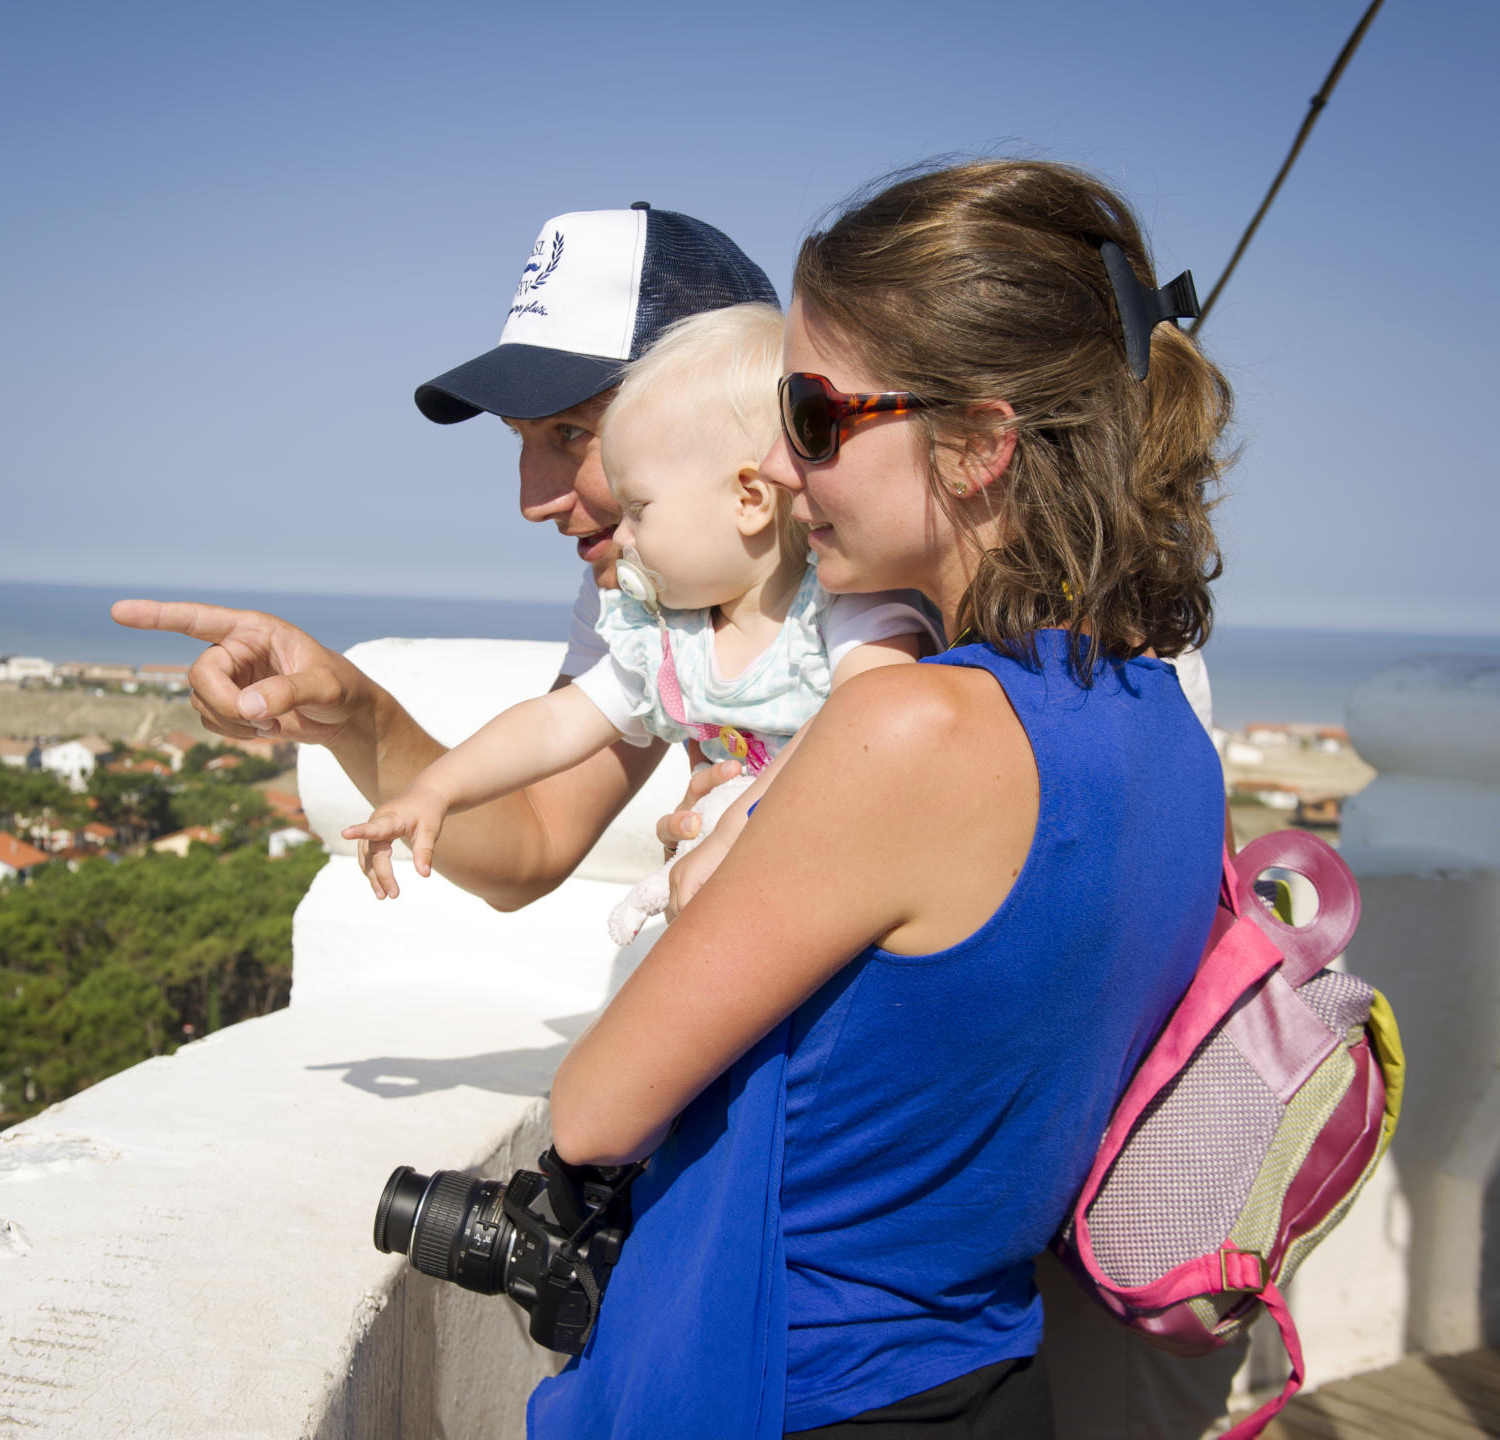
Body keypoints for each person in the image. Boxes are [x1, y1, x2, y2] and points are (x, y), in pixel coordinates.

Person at [529, 160, 1234, 1439]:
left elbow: (595, 1108)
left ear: (976, 447)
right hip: (984, 1375)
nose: (783, 470)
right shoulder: (1166, 738)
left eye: (811, 416)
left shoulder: (908, 730)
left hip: (777, 1384)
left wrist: (729, 849)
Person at [113, 203, 779, 908]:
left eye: (572, 434)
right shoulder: (637, 595)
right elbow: (535, 842)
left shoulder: (883, 589)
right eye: (520, 437)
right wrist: (358, 715)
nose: (533, 500)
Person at [340, 304, 938, 901]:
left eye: (639, 510)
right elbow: (553, 723)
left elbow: (863, 717)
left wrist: (739, 824)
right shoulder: (669, 638)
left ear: (750, 499)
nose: (622, 537)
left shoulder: (842, 607)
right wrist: (435, 791)